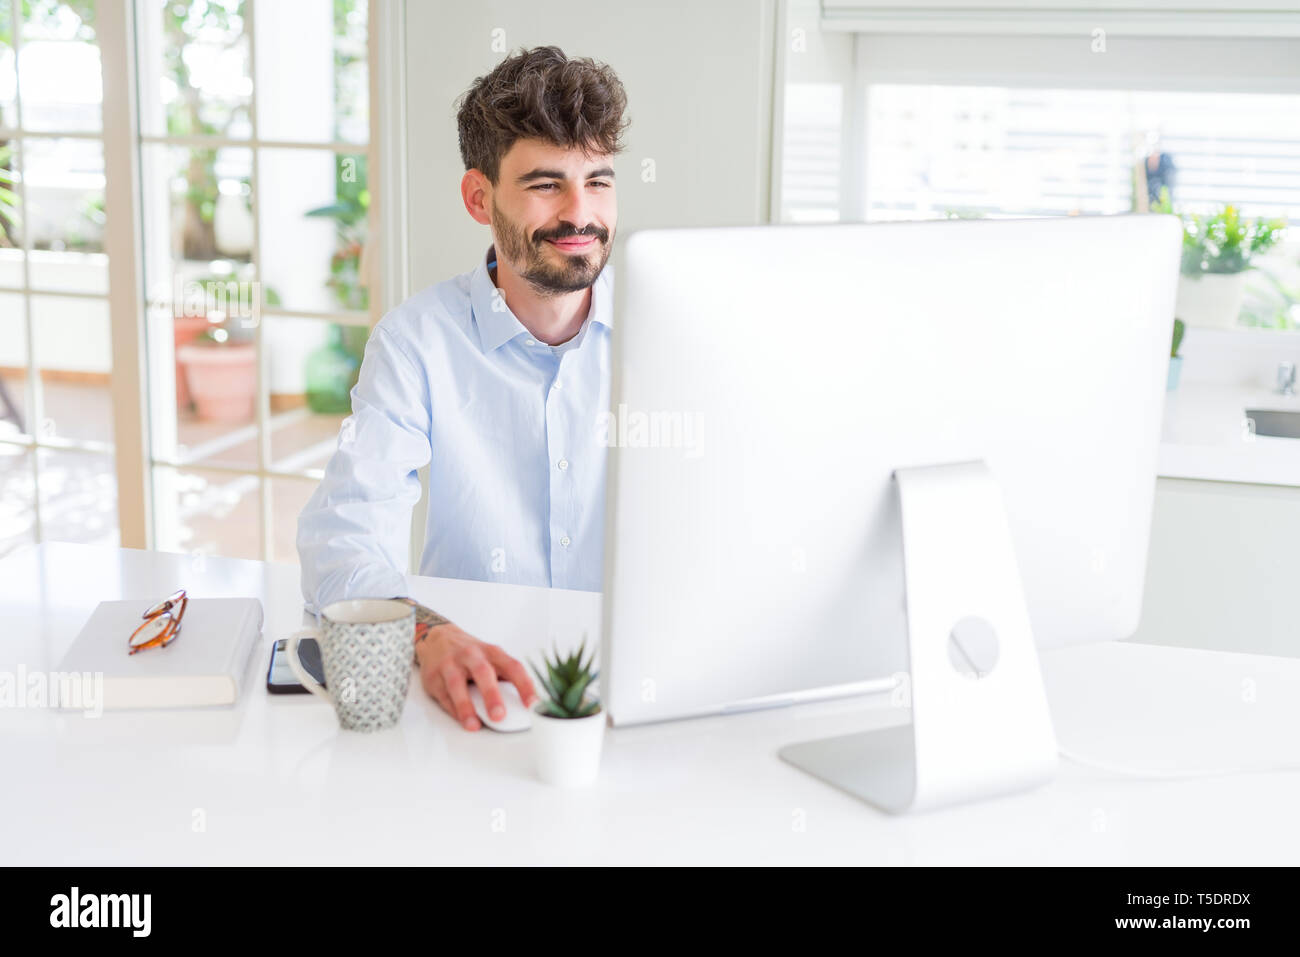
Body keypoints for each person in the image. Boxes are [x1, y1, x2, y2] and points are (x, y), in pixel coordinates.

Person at [297, 46, 628, 731]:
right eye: (546, 184)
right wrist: (425, 631)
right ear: (479, 198)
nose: (581, 213)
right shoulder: (416, 340)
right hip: (472, 693)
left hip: (637, 690)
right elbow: (344, 534)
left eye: (598, 181)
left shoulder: (667, 335)